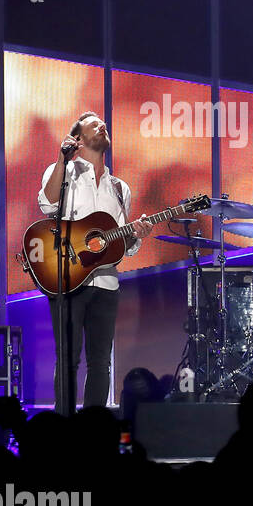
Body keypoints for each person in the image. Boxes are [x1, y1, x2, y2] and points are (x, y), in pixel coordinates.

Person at [38, 112, 153, 413]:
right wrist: (63, 161)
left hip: (106, 283)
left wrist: (136, 233)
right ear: (77, 139)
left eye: (103, 124)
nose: (103, 126)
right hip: (67, 279)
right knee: (68, 359)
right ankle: (64, 427)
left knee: (101, 361)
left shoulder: (119, 188)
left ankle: (92, 430)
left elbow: (122, 246)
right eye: (94, 125)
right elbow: (48, 203)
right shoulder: (63, 172)